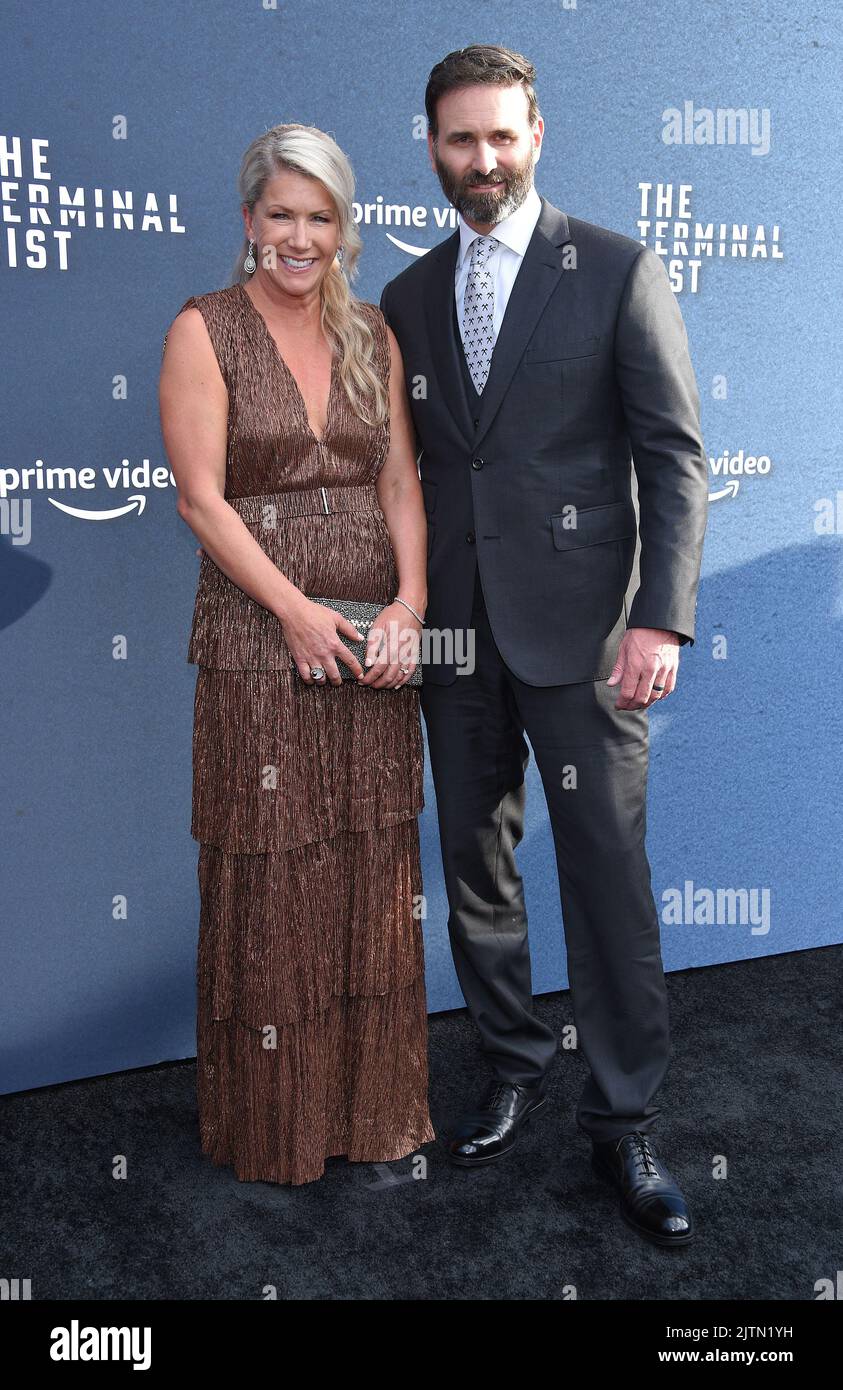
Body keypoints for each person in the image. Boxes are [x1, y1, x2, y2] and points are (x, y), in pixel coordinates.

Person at [379, 45, 708, 1246]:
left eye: (502, 137)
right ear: (429, 145)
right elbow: (411, 474)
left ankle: (625, 1119)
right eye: (460, 140)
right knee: (475, 861)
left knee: (607, 874)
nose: (483, 160)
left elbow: (673, 455)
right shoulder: (408, 298)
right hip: (458, 636)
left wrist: (660, 614)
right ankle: (511, 1057)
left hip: (586, 633)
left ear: (538, 133)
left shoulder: (615, 268)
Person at [159, 123, 435, 1186]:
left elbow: (399, 481)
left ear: (343, 228)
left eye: (320, 217)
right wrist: (291, 609)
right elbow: (200, 498)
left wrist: (409, 603)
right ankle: (276, 1127)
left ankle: (375, 1116)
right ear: (248, 222)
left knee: (371, 867)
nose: (299, 235)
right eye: (281, 213)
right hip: (255, 641)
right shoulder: (205, 328)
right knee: (274, 875)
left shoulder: (372, 332)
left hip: (372, 639)